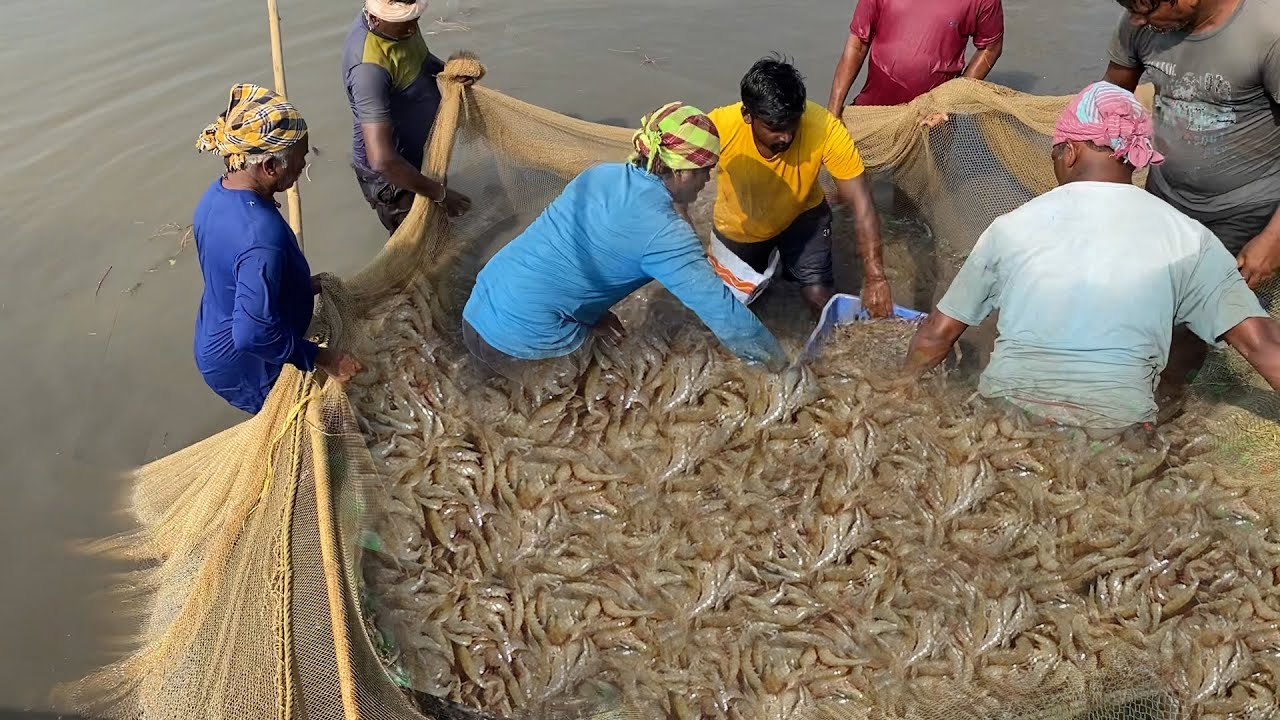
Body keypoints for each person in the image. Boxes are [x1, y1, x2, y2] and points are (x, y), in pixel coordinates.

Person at [901, 82, 1280, 430]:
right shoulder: (1189, 237)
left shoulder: (1010, 227)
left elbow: (937, 334)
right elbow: (1262, 346)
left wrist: (898, 393)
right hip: (1114, 432)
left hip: (1006, 421)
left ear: (1069, 152)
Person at [461, 102, 789, 381]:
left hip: (480, 305)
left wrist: (594, 316)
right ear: (682, 172)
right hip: (522, 342)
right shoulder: (666, 235)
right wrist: (780, 366)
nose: (707, 180)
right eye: (706, 170)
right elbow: (727, 317)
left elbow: (575, 254)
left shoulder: (600, 174)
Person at [1103, 0, 1280, 392]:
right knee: (1143, 304)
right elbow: (1109, 104)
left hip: (1243, 209)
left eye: (1145, 9)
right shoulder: (1139, 25)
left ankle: (1166, 401)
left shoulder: (1269, 31)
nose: (1136, 19)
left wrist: (1272, 239)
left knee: (1197, 321)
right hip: (1164, 198)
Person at [194, 84, 361, 414]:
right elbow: (251, 333)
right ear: (270, 166)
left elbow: (238, 274)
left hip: (216, 329)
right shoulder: (260, 236)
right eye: (298, 160)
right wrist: (324, 358)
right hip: (250, 363)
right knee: (297, 428)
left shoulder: (218, 194)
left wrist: (298, 285)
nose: (302, 167)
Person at [706, 56, 892, 319]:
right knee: (738, 307)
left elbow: (862, 204)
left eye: (793, 124)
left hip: (803, 219)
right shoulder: (718, 127)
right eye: (775, 128)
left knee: (819, 298)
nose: (787, 137)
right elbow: (675, 172)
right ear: (748, 115)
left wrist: (876, 277)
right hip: (741, 228)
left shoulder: (825, 127)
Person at [343, 0, 472, 233]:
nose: (413, 29)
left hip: (419, 155)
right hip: (394, 180)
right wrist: (440, 194)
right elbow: (382, 160)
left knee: (442, 230)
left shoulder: (402, 25)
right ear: (375, 19)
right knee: (421, 241)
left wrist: (448, 72)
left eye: (415, 20)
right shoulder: (368, 71)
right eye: (404, 23)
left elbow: (420, 59)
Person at [826, 0, 1005, 114]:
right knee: (848, 169)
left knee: (929, 173)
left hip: (933, 114)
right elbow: (858, 43)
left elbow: (991, 47)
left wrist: (950, 102)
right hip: (872, 111)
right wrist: (834, 110)